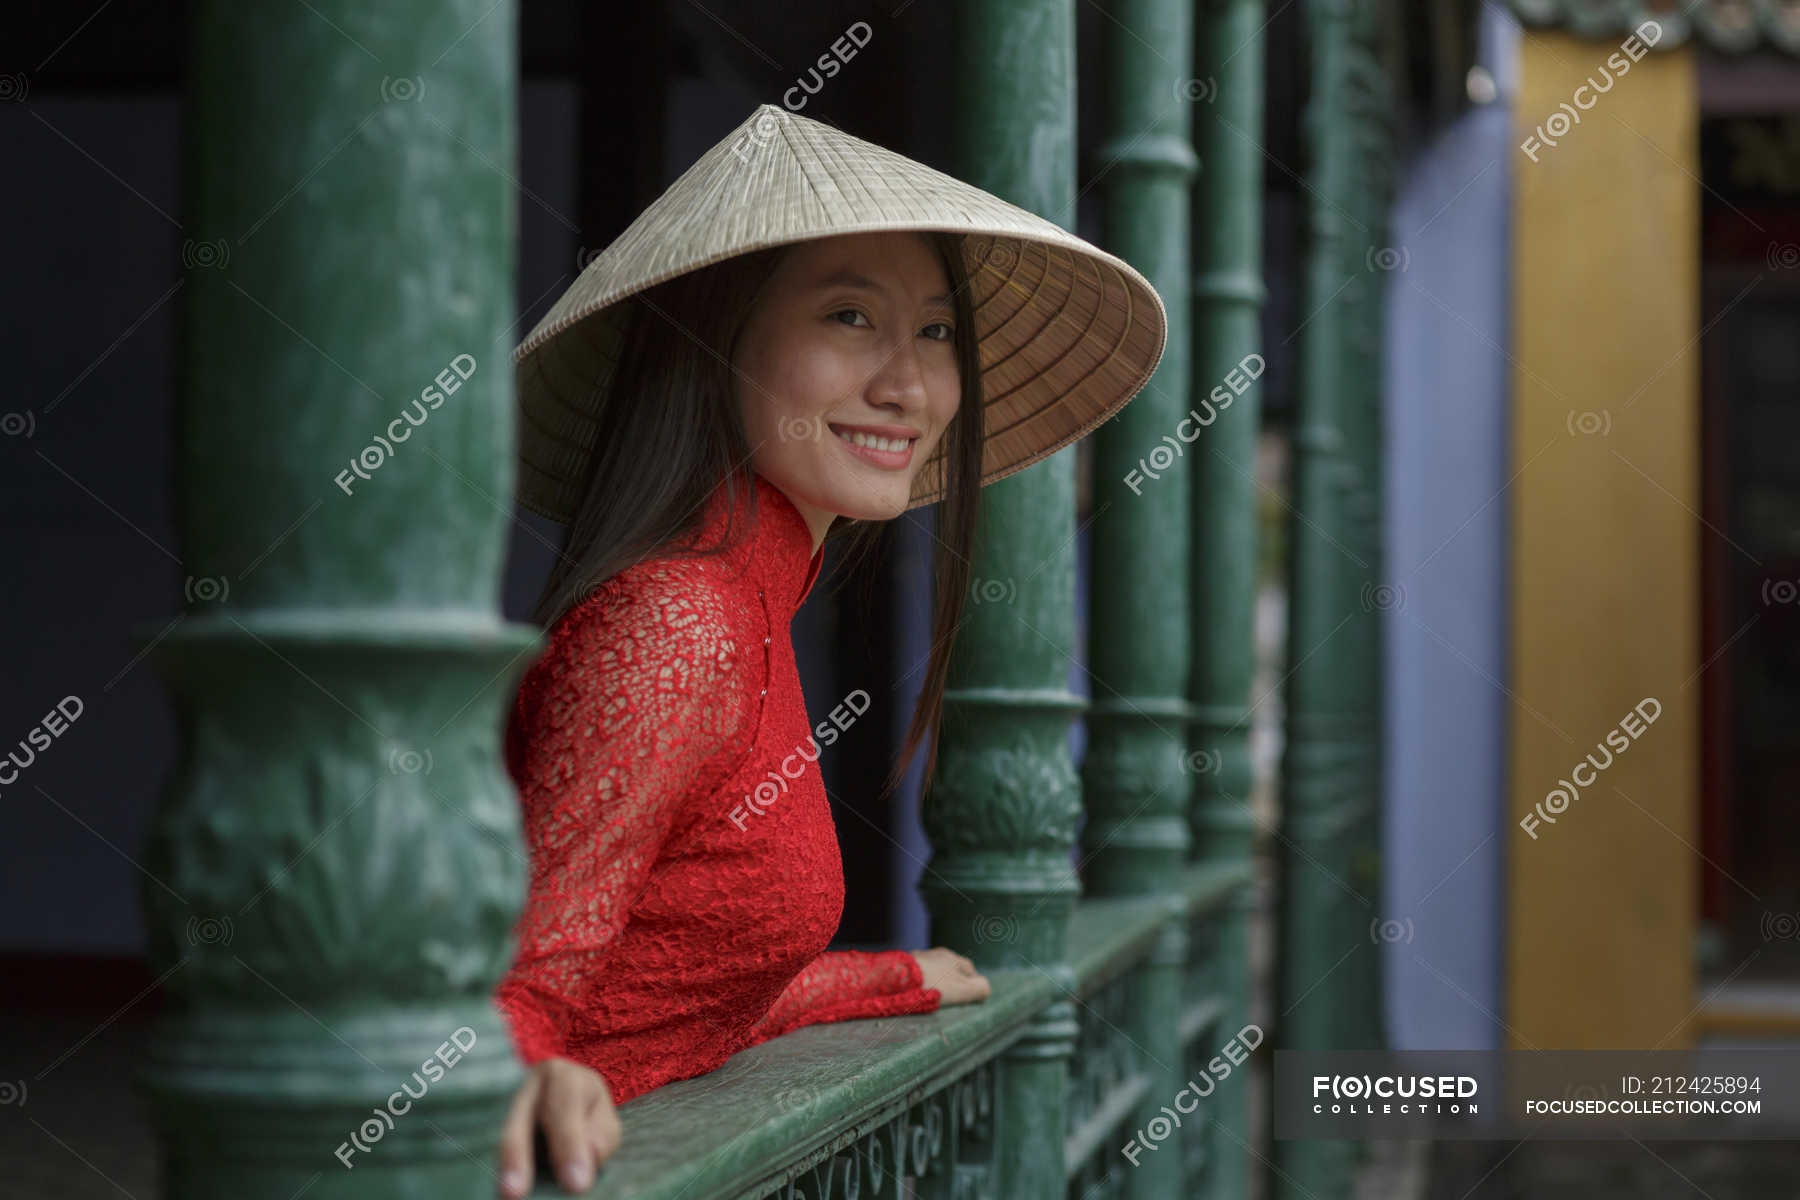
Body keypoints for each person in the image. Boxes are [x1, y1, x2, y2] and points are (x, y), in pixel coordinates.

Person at [490, 103, 1166, 1198]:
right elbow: (515, 993)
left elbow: (682, 992)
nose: (910, 384)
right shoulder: (679, 620)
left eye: (938, 332)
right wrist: (531, 1075)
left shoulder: (748, 608)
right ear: (716, 345)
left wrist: (882, 977)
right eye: (851, 315)